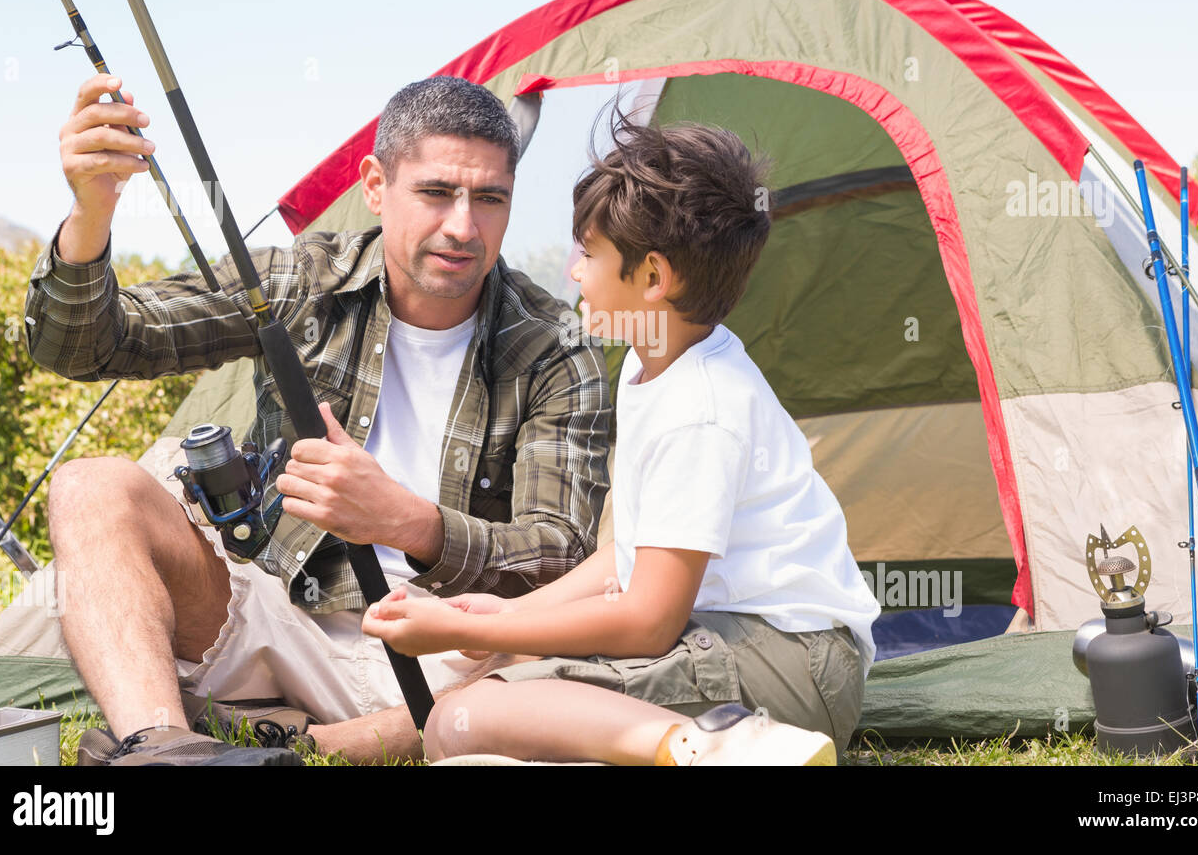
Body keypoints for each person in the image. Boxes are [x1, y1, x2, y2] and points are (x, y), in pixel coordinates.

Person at [24, 73, 611, 765]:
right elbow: (89, 344)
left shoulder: (557, 350)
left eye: (490, 199)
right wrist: (91, 215)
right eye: (435, 192)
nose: (462, 225)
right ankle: (163, 745)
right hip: (274, 618)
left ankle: (313, 741)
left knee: (591, 631)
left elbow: (560, 555)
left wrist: (407, 521)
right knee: (89, 487)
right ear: (374, 185)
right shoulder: (301, 283)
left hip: (455, 647)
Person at [361, 116, 882, 765]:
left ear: (654, 278)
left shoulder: (701, 404)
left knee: (461, 720)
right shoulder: (654, 367)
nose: (574, 272)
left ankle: (711, 749)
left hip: (790, 662)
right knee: (483, 722)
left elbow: (649, 620)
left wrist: (463, 627)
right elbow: (629, 557)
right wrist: (500, 621)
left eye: (589, 252)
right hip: (753, 647)